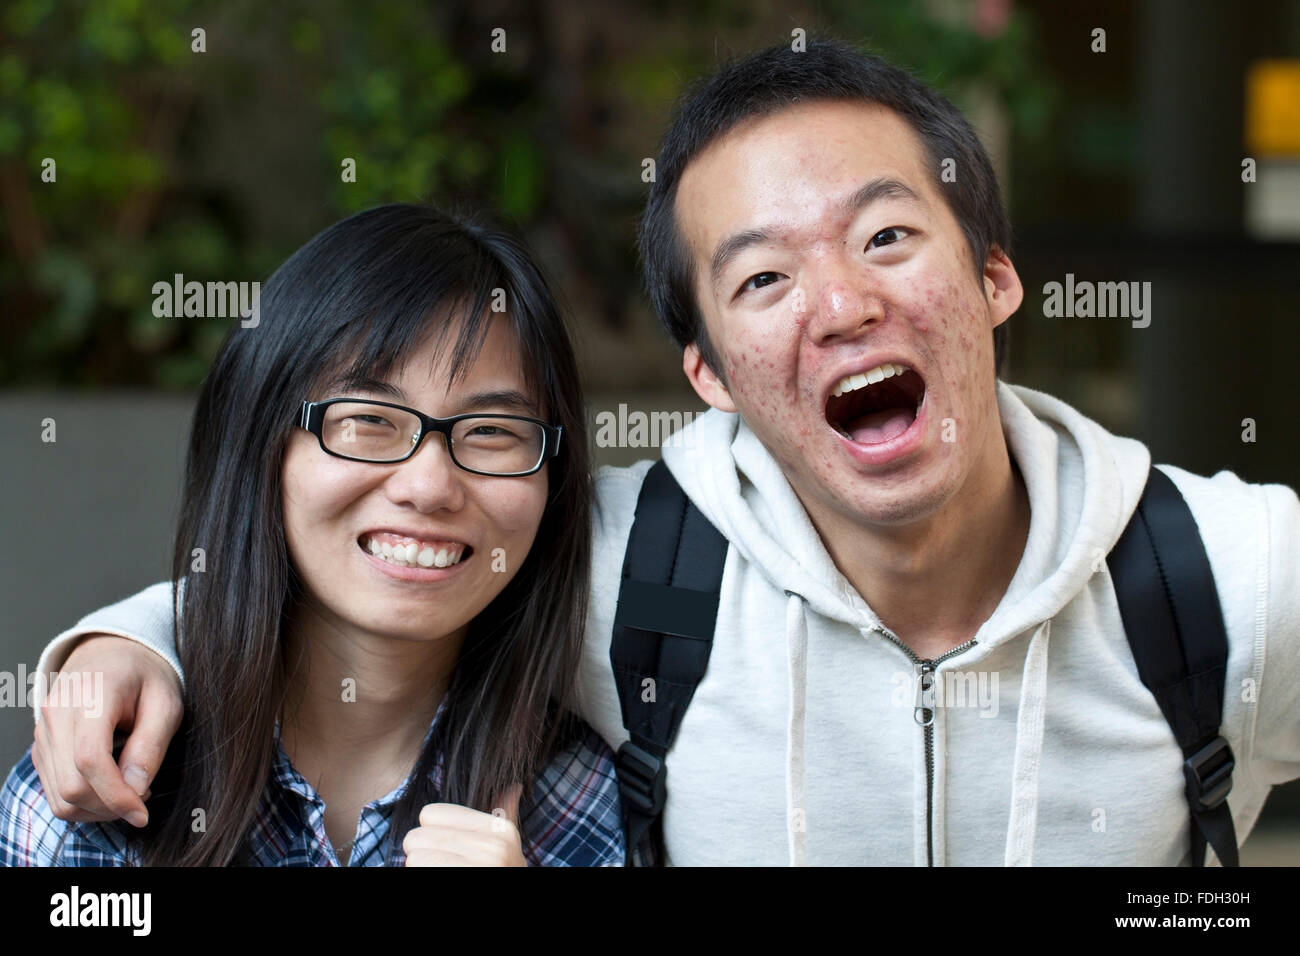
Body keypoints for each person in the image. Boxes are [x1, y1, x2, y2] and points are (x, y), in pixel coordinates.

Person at [23, 41, 1300, 866]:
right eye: (760, 276)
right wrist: (136, 642)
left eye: (889, 236)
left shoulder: (1226, 575)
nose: (840, 302)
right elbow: (391, 562)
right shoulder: (632, 569)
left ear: (996, 275)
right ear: (708, 375)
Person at [1, 203, 625, 866]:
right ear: (263, 443)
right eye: (367, 421)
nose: (429, 486)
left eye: (493, 432)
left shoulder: (577, 801)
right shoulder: (106, 776)